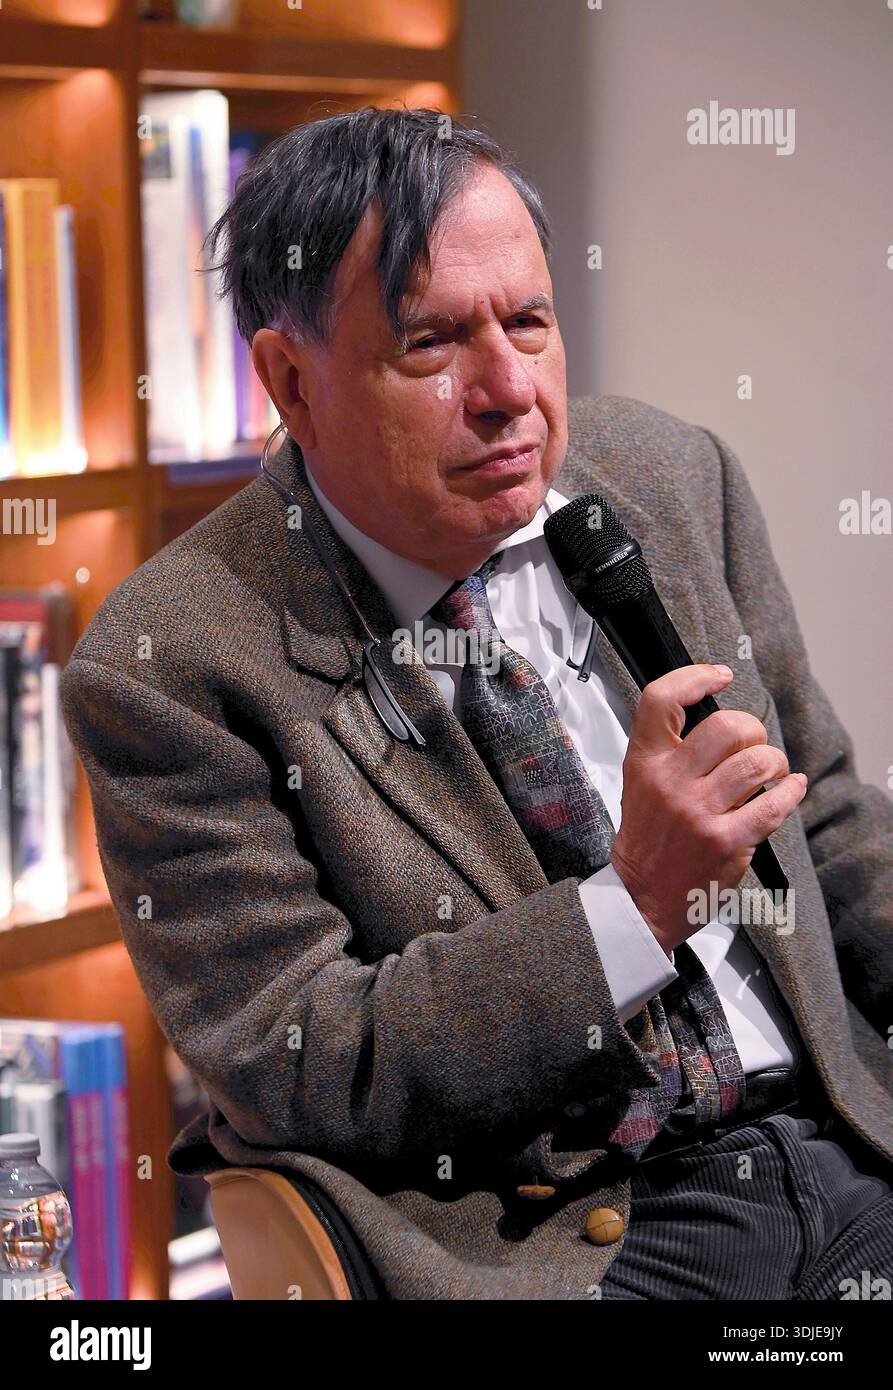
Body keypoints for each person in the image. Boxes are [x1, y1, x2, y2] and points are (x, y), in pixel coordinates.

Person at [60, 107, 893, 1300]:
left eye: (531, 322)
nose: (509, 390)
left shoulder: (670, 476)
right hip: (574, 1236)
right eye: (432, 344)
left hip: (840, 1141)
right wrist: (636, 903)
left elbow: (819, 823)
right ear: (291, 382)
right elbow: (310, 1061)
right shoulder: (171, 665)